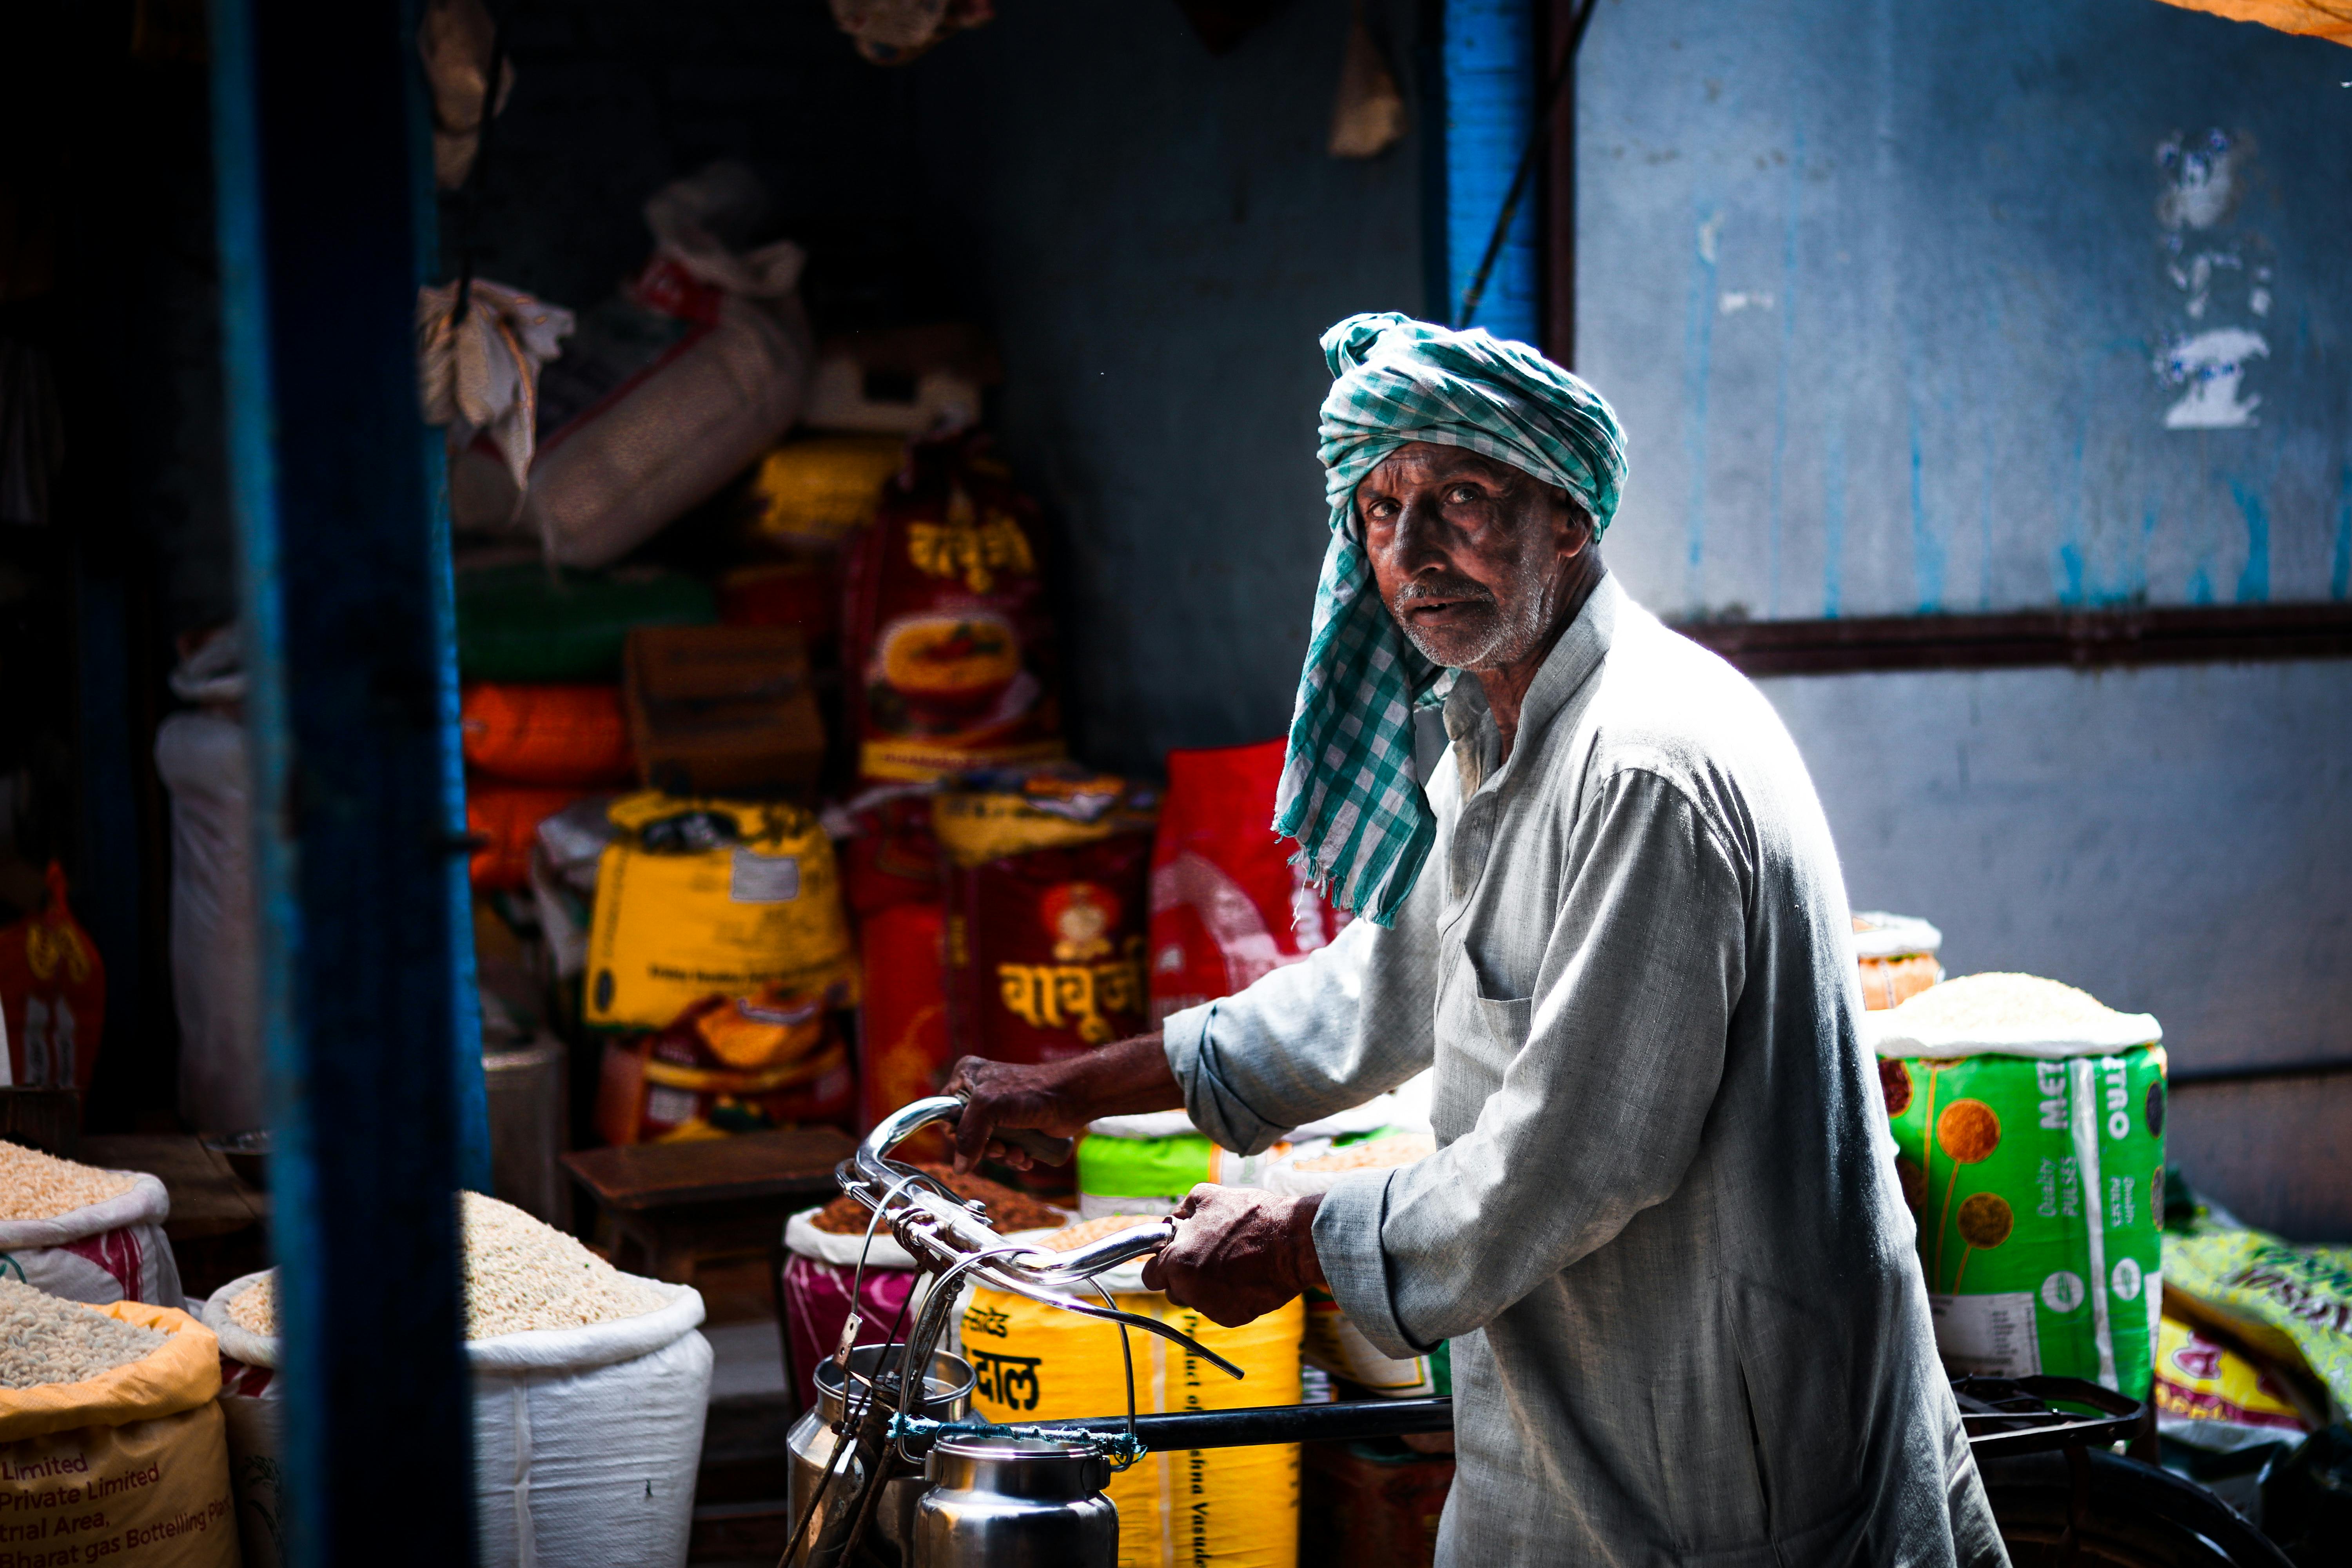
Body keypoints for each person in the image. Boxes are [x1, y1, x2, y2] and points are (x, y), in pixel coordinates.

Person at [948, 314, 2005, 1566]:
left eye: (1461, 500)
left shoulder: (1644, 765)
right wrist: (1077, 1088)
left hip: (1726, 1447)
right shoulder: (1503, 735)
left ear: (1569, 519)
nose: (1411, 553)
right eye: (1381, 510)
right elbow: (1383, 987)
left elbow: (1574, 1157)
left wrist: (1295, 1237)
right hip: (1573, 1420)